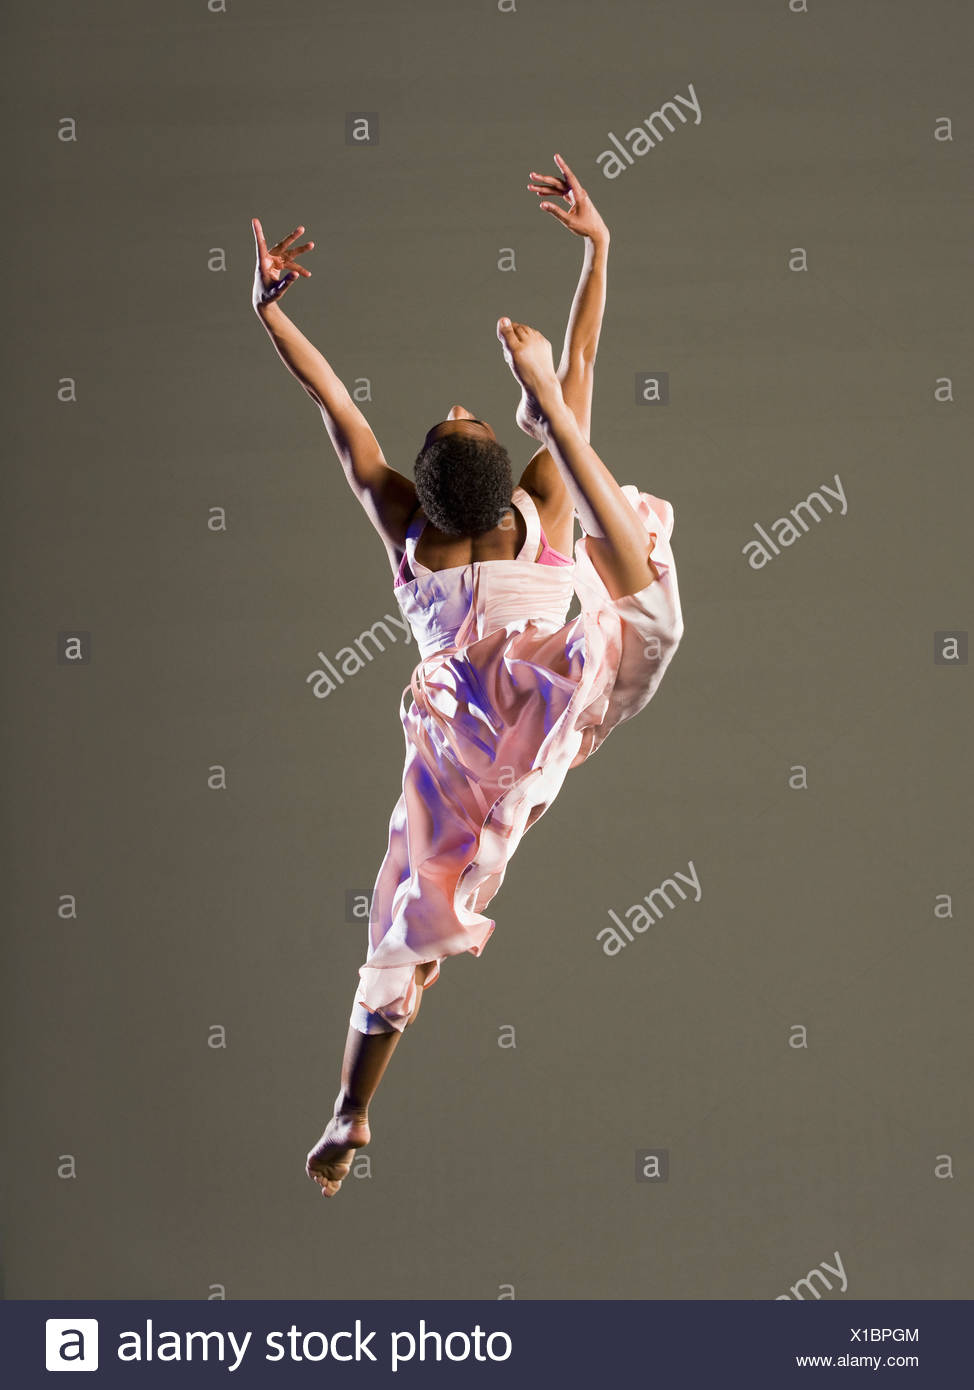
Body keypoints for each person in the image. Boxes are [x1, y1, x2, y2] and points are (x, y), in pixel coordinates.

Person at [251, 154, 684, 1198]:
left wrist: (271, 315)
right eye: (469, 415)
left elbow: (338, 413)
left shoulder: (407, 529)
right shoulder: (543, 505)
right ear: (500, 474)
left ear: (428, 493)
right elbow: (580, 351)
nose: (452, 402)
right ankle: (352, 1100)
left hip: (466, 740)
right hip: (548, 699)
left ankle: (351, 1107)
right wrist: (597, 248)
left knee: (406, 918)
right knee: (644, 602)